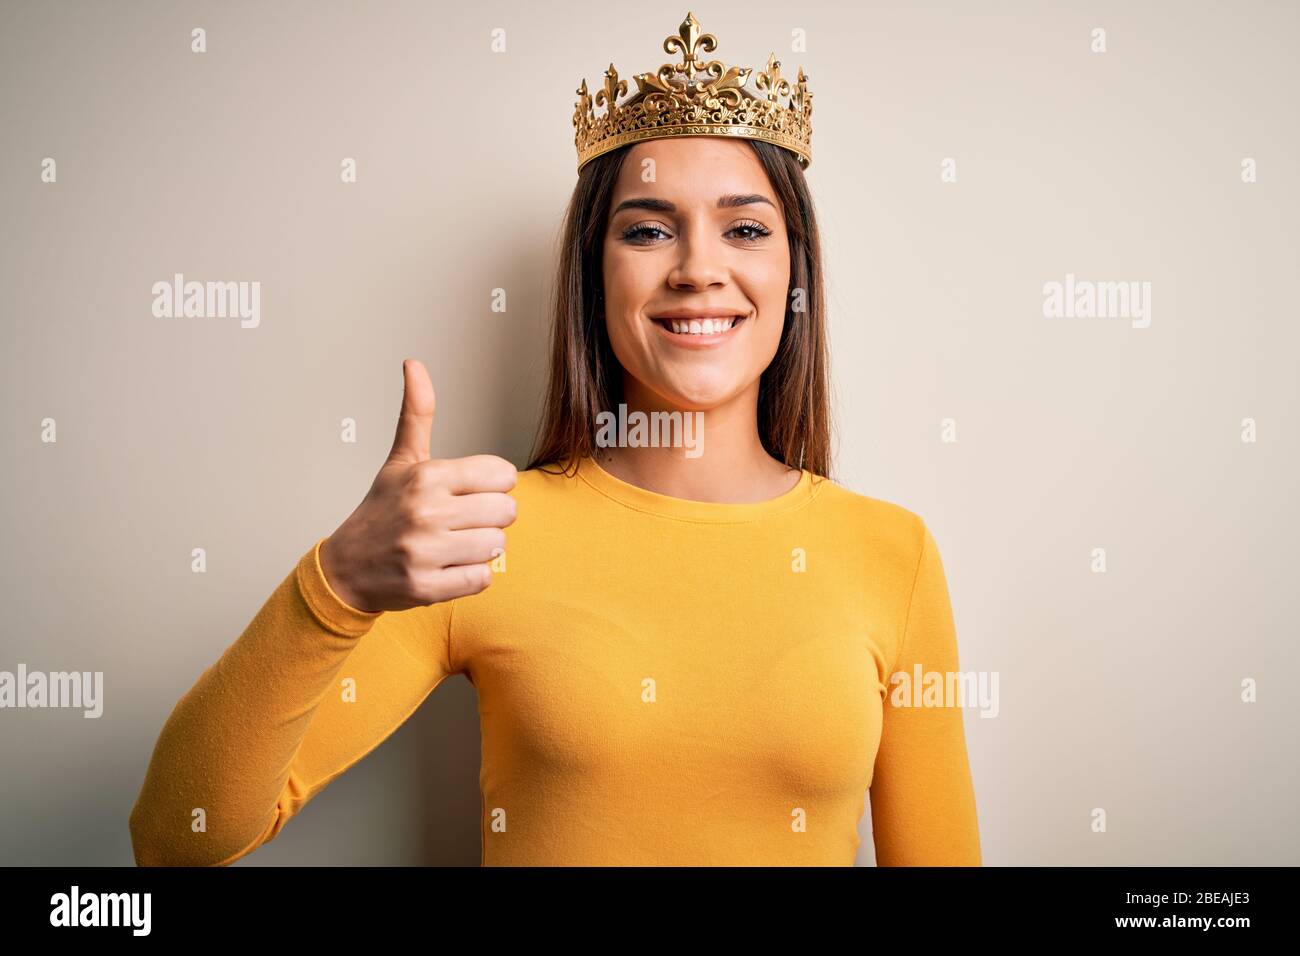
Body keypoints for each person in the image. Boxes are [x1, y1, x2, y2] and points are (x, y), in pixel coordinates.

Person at [128, 11, 981, 867]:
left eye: (746, 227)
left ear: (795, 268)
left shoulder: (891, 554)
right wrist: (335, 586)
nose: (696, 267)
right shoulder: (482, 534)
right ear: (592, 272)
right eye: (647, 229)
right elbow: (178, 838)